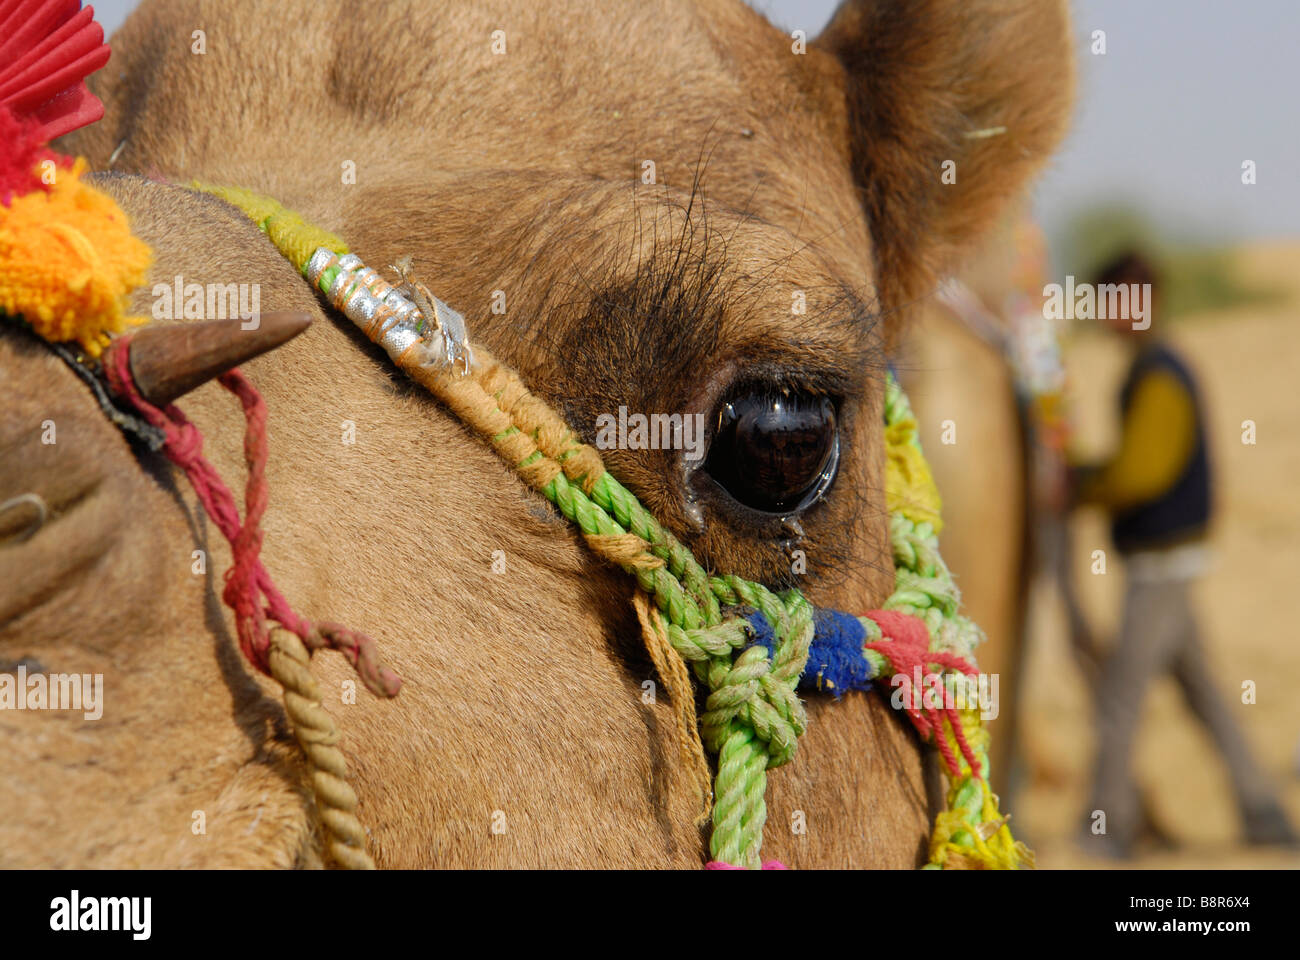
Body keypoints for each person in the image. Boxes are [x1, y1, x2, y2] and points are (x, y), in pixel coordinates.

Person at [1072, 250, 1296, 857]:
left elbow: (1141, 472)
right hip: (1166, 564)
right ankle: (1264, 811)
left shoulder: (1160, 376)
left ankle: (1105, 828)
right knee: (1205, 696)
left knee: (1120, 701)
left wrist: (1075, 485)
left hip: (1160, 570)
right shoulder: (1152, 369)